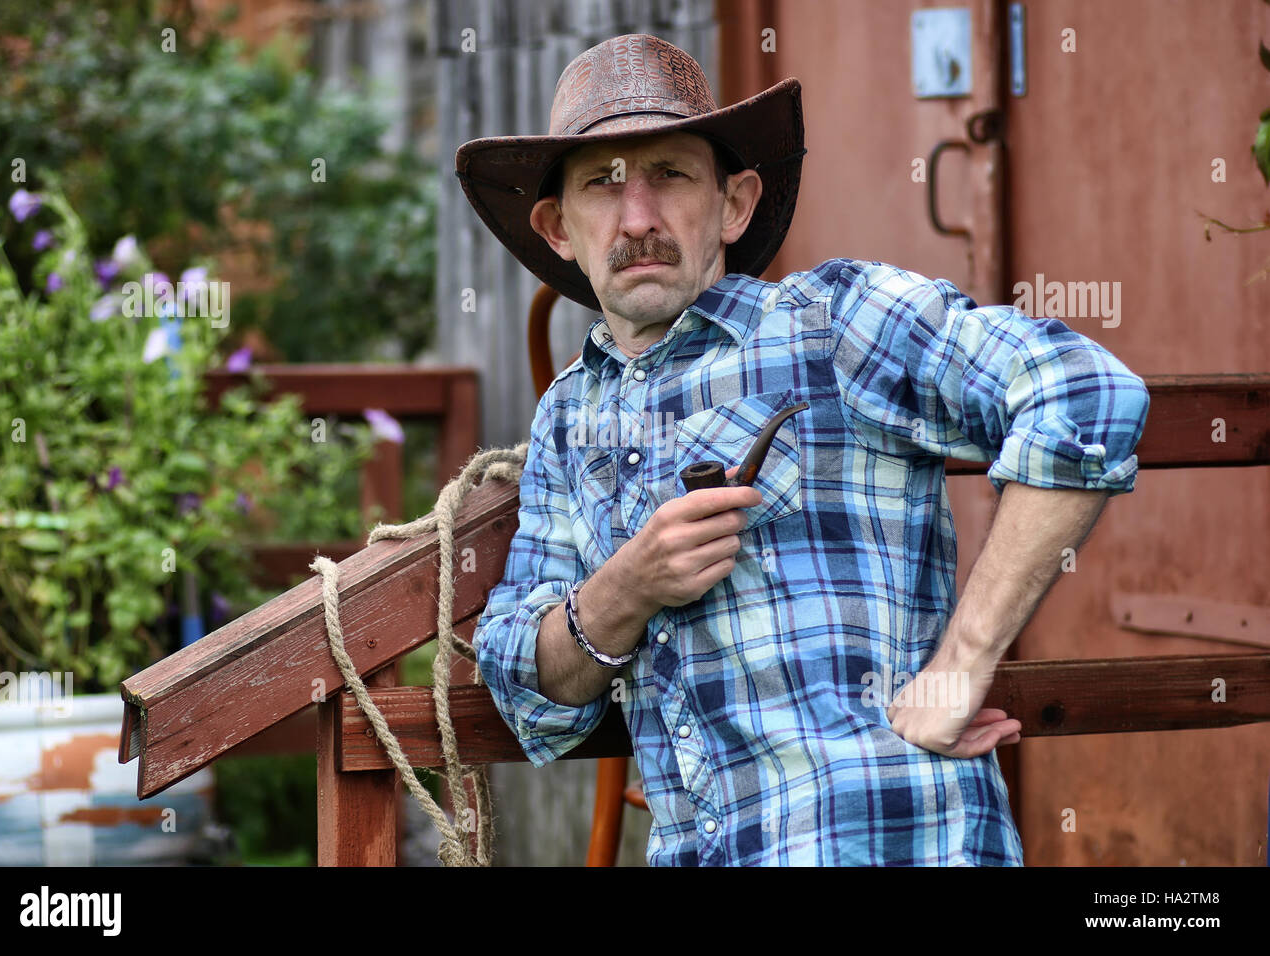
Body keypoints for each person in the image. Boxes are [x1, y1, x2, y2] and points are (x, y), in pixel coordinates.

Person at [459, 34, 1149, 865]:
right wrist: (624, 590)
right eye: (602, 184)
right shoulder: (568, 416)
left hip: (882, 837)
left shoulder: (832, 323)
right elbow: (519, 681)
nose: (637, 217)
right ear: (556, 227)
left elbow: (1087, 391)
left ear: (735, 204)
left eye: (670, 175)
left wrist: (962, 665)